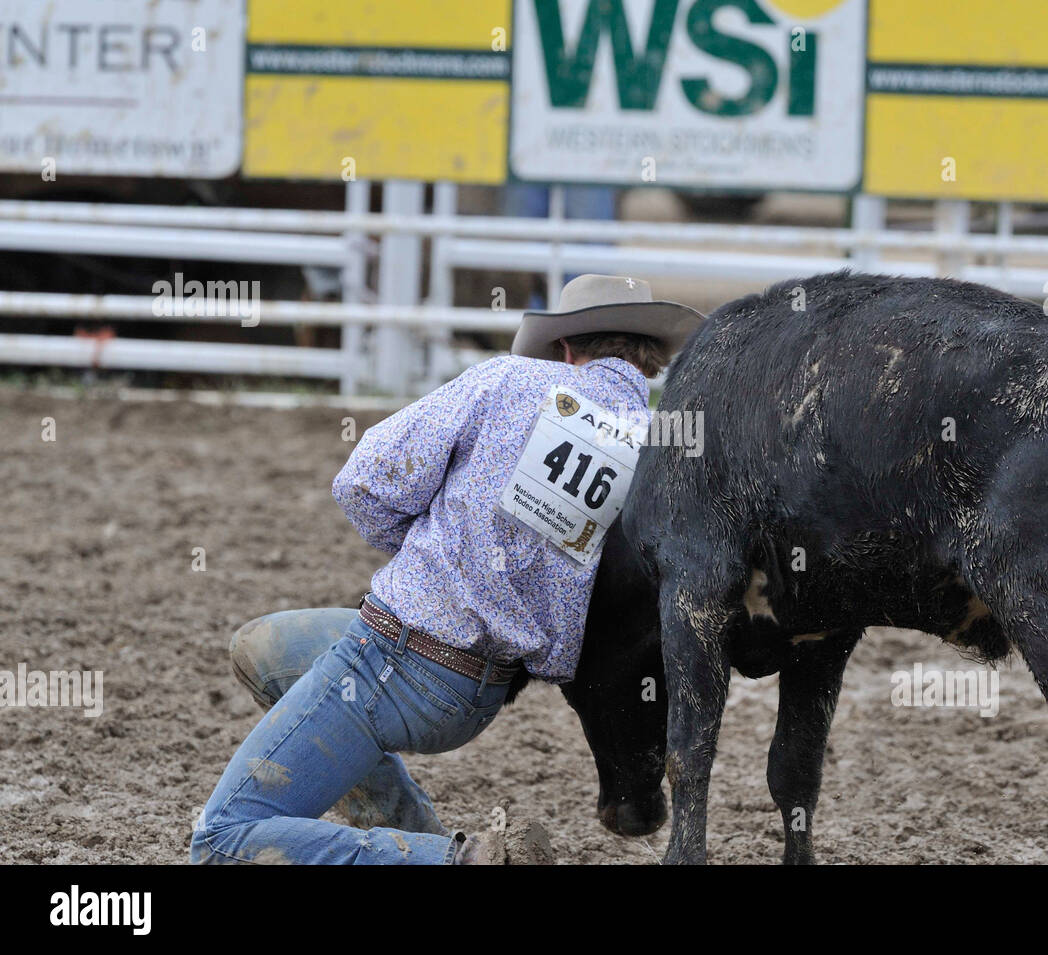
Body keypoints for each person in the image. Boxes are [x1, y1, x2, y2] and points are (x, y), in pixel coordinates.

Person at [190, 275, 701, 865]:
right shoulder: (657, 448)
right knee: (261, 648)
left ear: (567, 346)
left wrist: (431, 557)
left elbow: (364, 481)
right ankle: (419, 835)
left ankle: (460, 860)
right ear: (649, 361)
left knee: (221, 840)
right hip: (479, 691)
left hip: (393, 656)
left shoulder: (508, 380)